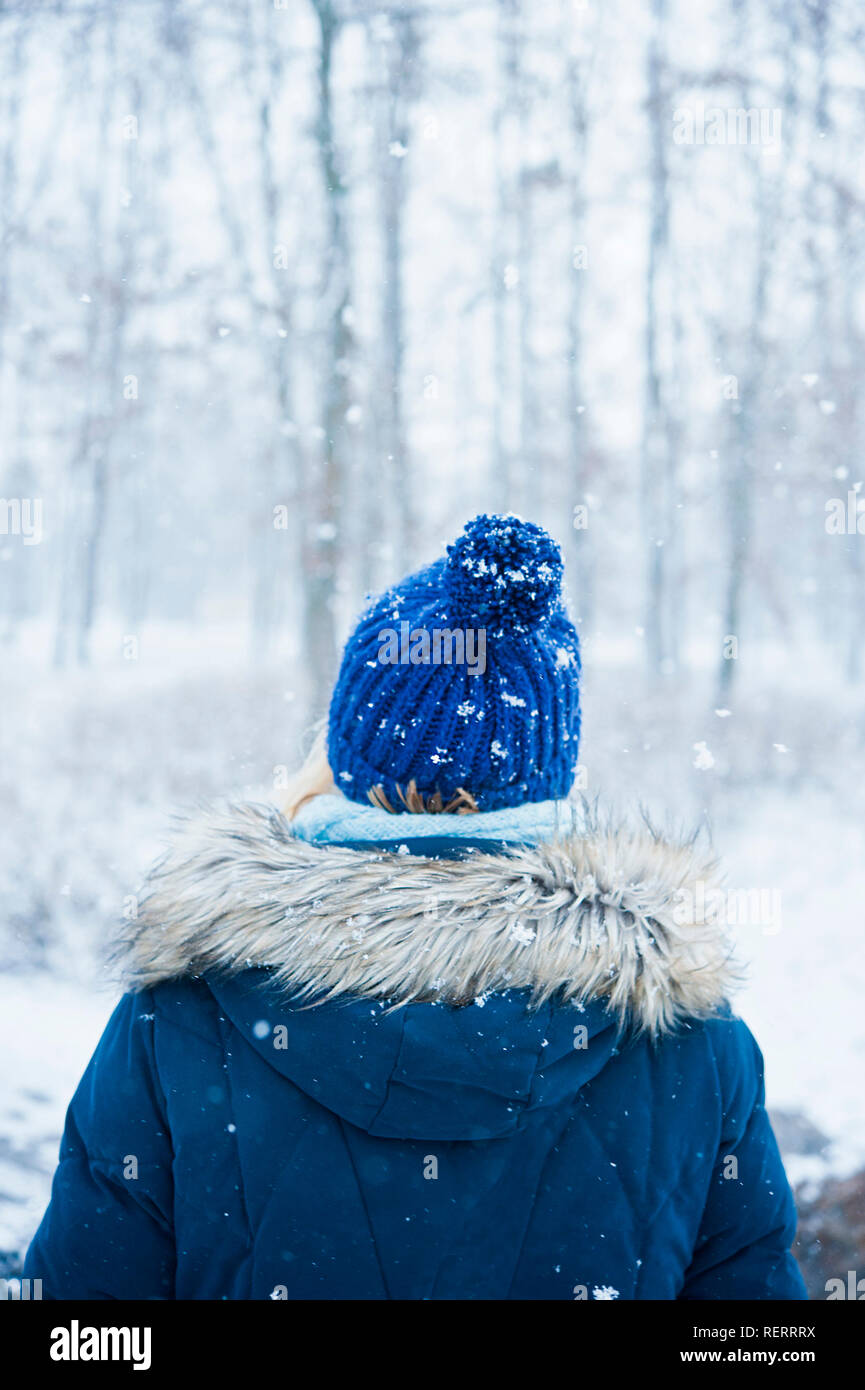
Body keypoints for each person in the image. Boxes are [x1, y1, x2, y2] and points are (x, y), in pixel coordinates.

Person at [24, 513, 806, 1300]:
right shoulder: (686, 1038)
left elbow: (85, 1326)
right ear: (553, 763)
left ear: (346, 752)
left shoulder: (180, 1021)